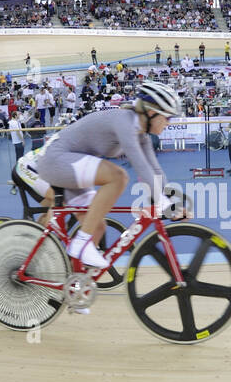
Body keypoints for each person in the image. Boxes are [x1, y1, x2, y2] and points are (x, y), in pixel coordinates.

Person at [36, 81, 182, 272]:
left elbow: (155, 170)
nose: (169, 122)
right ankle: (81, 243)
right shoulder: (125, 121)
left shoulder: (142, 134)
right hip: (54, 160)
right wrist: (162, 201)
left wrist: (173, 201)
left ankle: (75, 287)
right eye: (167, 117)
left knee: (96, 226)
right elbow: (140, 165)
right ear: (151, 112)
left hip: (70, 164)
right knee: (118, 177)